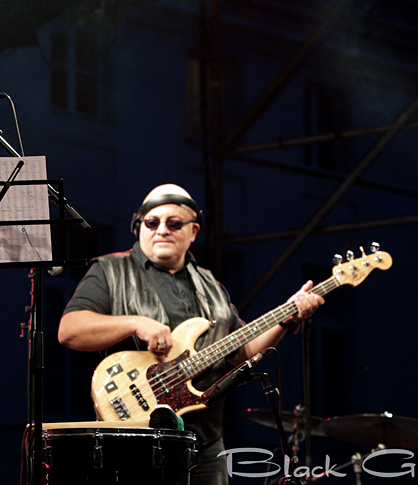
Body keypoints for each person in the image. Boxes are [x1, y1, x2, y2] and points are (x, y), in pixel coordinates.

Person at [58, 184, 324, 485]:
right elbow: (70, 330)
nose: (161, 230)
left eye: (174, 224)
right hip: (137, 441)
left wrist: (286, 318)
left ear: (193, 231)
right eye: (151, 222)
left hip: (206, 443)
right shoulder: (110, 270)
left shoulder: (211, 286)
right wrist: (135, 323)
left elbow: (242, 353)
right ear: (138, 226)